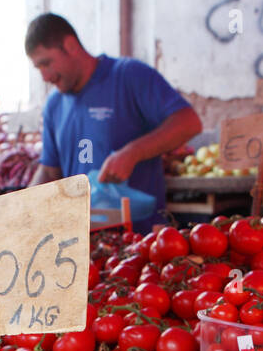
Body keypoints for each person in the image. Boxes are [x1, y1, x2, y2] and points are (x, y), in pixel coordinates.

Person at [26, 13, 201, 228]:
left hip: (141, 242)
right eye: (38, 68)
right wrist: (22, 210)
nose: (44, 76)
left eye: (46, 63)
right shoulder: (54, 105)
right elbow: (49, 171)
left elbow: (189, 122)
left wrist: (132, 153)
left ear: (70, 45)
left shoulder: (129, 76)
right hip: (83, 242)